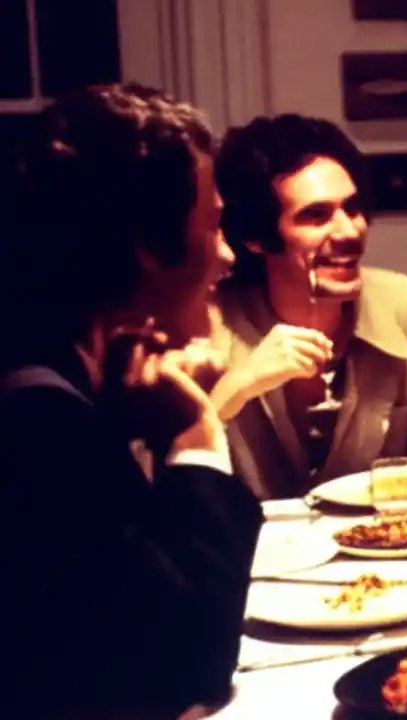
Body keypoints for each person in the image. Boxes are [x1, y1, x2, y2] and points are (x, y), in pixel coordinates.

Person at [0, 84, 262, 714]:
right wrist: (196, 434)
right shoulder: (39, 425)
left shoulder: (69, 383)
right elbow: (185, 666)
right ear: (148, 245)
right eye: (214, 222)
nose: (226, 254)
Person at [212, 114, 407, 498]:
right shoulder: (208, 328)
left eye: (352, 209)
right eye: (315, 216)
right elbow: (159, 486)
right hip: (251, 555)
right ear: (256, 237)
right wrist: (237, 387)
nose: (350, 232)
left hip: (390, 550)